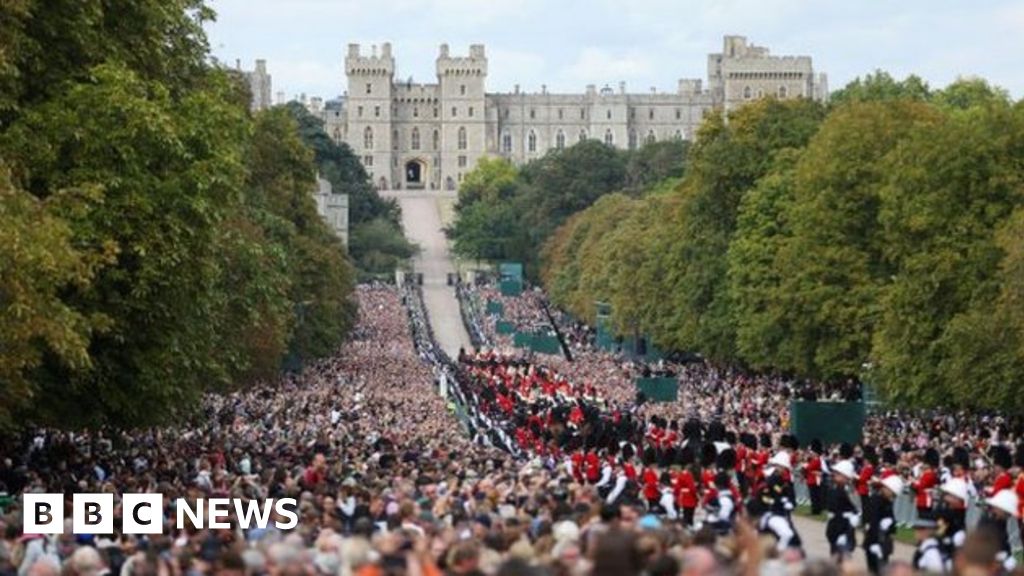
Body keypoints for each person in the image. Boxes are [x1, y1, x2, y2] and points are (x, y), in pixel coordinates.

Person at [863, 474, 903, 575]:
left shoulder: (887, 502)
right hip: (874, 540)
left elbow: (892, 521)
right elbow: (872, 521)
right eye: (892, 493)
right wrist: (874, 542)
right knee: (875, 570)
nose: (892, 496)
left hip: (883, 540)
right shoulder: (875, 500)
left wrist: (890, 525)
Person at [825, 459, 859, 561]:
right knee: (834, 554)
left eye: (838, 474)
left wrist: (853, 520)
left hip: (845, 526)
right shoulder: (833, 487)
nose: (835, 475)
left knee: (842, 558)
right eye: (835, 473)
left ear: (846, 477)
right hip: (834, 525)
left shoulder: (849, 490)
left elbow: (856, 507)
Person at [978, 489, 1019, 572]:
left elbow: (1008, 542)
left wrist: (1009, 556)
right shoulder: (986, 521)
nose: (1009, 515)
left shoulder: (1007, 522)